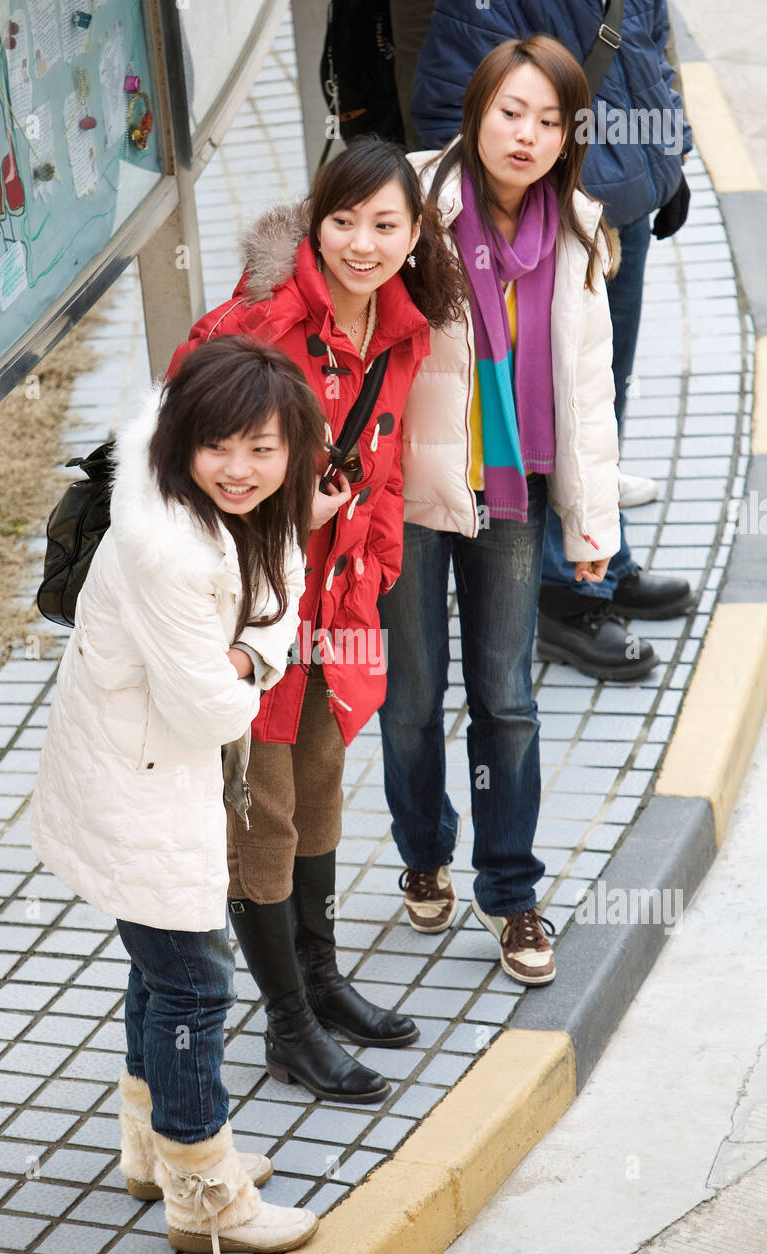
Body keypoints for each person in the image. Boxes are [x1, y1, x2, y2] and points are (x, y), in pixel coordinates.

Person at [168, 138, 467, 1103]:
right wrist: (287, 517)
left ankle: (322, 977)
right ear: (315, 219)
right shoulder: (260, 323)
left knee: (322, 785)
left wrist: (377, 565)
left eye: (387, 225)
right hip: (255, 609)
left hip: (337, 608)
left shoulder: (402, 327)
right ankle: (288, 1024)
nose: (362, 244)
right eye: (344, 221)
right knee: (264, 813)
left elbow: (379, 466)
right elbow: (189, 453)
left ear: (416, 233)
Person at [30, 337, 323, 1254]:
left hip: (135, 773)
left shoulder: (191, 500)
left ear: (293, 451)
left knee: (158, 969)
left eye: (263, 450)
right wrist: (254, 655)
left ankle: (154, 1148)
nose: (240, 470)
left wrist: (246, 643)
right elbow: (211, 706)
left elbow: (275, 586)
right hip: (146, 784)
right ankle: (205, 1195)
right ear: (182, 442)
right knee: (196, 984)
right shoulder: (170, 550)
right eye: (220, 447)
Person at [379, 36, 619, 982]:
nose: (526, 135)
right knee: (409, 694)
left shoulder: (580, 230)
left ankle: (511, 891)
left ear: (569, 137)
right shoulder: (412, 199)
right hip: (413, 485)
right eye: (510, 112)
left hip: (514, 491)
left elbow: (589, 390)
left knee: (507, 700)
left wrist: (591, 524)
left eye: (549, 121)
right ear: (477, 111)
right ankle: (424, 849)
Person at [411, 0, 694, 681]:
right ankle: (565, 595)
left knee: (599, 390)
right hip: (553, 232)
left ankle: (604, 557)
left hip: (620, 211)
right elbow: (453, 108)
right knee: (551, 401)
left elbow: (653, 59)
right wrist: (560, 208)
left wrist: (673, 155)